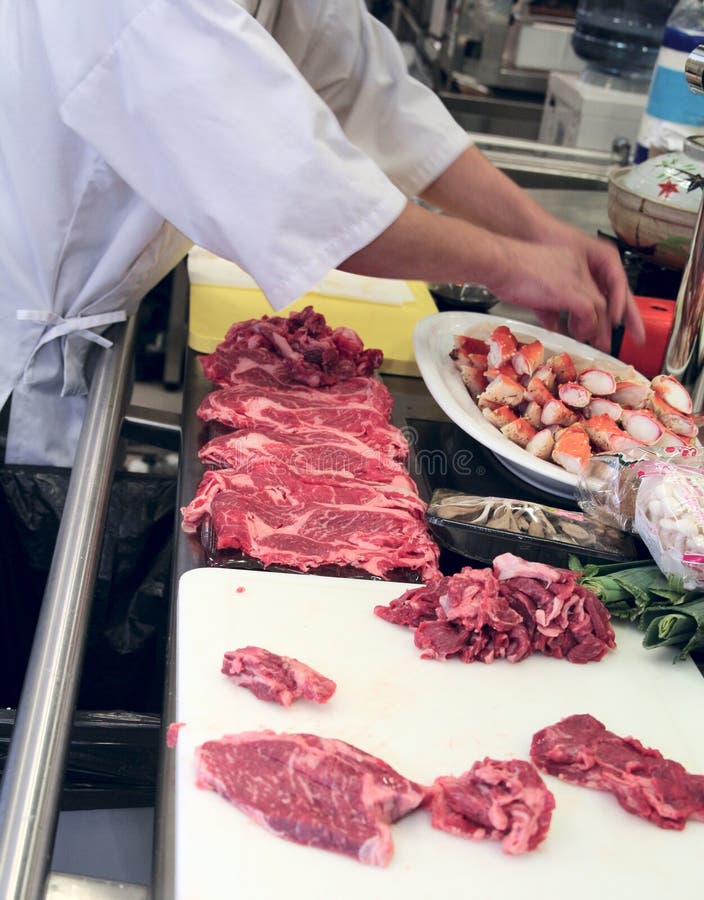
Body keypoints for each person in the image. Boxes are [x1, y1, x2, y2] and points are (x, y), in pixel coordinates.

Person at [0, 0, 644, 466]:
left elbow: (371, 94)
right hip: (20, 337)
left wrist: (541, 234)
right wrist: (509, 262)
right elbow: (291, 189)